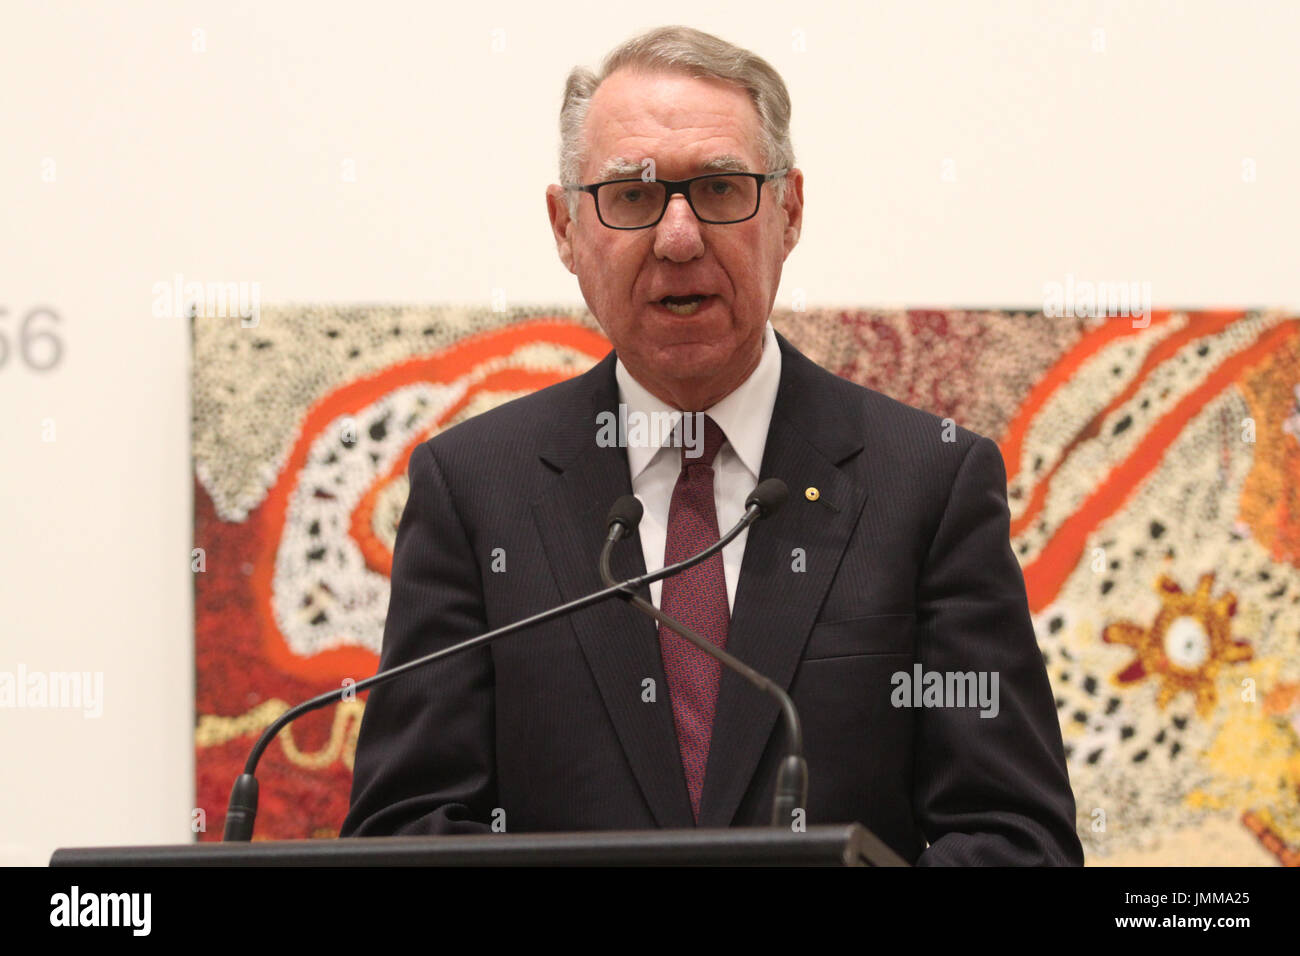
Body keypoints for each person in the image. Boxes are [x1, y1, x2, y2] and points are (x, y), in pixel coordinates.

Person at [341, 25, 1083, 865]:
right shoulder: (476, 491)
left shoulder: (928, 483)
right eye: (631, 196)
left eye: (723, 188)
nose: (680, 237)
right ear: (566, 228)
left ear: (790, 210)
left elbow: (1019, 842)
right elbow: (402, 836)